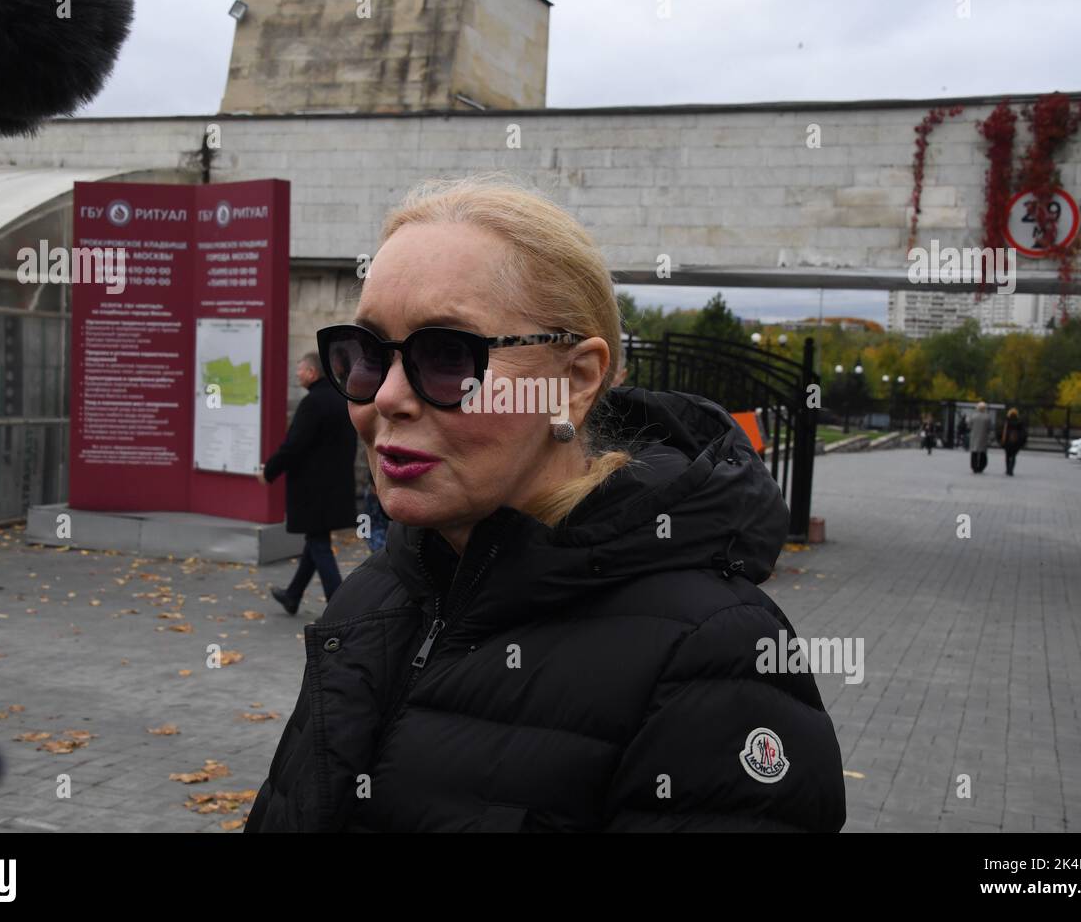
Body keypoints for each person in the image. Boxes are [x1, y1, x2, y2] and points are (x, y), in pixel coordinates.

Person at [245, 176, 845, 833]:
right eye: (364, 355)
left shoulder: (715, 657)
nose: (386, 397)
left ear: (574, 383)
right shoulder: (375, 594)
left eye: (447, 354)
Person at [259, 352, 358, 615]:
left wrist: (269, 471)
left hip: (314, 489)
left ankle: (341, 606)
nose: (297, 374)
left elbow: (294, 446)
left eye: (300, 369)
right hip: (336, 487)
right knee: (316, 539)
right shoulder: (342, 399)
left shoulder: (312, 403)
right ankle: (292, 595)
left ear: (313, 373)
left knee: (318, 543)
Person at [999, 407, 1027, 476]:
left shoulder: (1006, 422)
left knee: (1007, 456)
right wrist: (1022, 441)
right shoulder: (1020, 422)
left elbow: (1000, 432)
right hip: (1016, 442)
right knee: (1014, 456)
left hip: (1007, 442)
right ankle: (1011, 470)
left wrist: (1000, 440)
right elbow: (1023, 433)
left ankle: (1008, 469)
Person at [968, 401, 991, 474]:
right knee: (982, 453)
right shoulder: (987, 417)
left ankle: (974, 467)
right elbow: (989, 428)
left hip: (974, 436)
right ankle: (981, 467)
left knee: (974, 452)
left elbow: (969, 426)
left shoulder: (973, 416)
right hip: (983, 437)